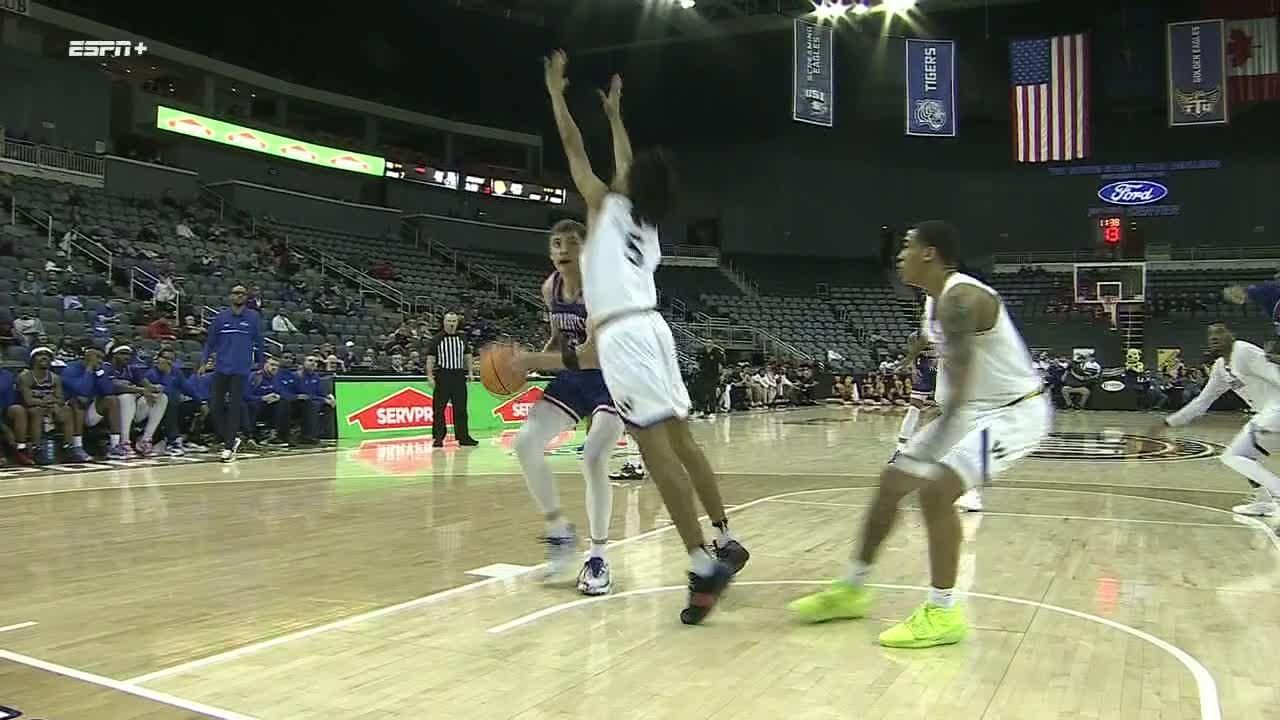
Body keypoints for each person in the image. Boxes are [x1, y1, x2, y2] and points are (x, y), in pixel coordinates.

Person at [541, 53, 747, 623]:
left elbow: (573, 148)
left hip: (624, 336)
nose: (619, 173)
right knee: (681, 439)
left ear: (630, 185)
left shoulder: (608, 206)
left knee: (655, 453)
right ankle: (725, 536)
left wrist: (556, 94)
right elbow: (626, 160)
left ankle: (702, 565)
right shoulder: (645, 222)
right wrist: (615, 117)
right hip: (655, 328)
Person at [789, 221, 1051, 648]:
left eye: (906, 246)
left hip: (1013, 414)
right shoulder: (933, 301)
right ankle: (852, 589)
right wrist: (909, 356)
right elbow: (929, 339)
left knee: (935, 491)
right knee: (891, 483)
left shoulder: (961, 299)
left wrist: (935, 443)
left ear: (929, 253)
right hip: (970, 412)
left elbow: (961, 381)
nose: (899, 255)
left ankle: (944, 612)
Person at [510, 219, 628, 596]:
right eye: (556, 244)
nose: (563, 250)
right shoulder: (551, 287)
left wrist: (531, 360)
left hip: (613, 377)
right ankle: (559, 531)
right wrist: (527, 369)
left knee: (593, 457)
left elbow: (592, 354)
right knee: (525, 443)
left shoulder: (600, 290)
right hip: (576, 377)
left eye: (571, 243)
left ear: (586, 249)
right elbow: (559, 338)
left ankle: (598, 556)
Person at [1152, 323, 1280, 517]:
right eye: (1210, 334)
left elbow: (1275, 374)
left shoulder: (1243, 350)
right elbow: (1202, 402)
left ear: (1232, 335)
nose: (1214, 336)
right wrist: (1169, 422)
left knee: (1235, 456)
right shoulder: (1220, 368)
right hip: (1268, 415)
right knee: (1243, 457)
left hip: (1275, 411)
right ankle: (1263, 501)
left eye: (1219, 331)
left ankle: (1270, 497)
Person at [202, 285, 264, 462]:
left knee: (235, 407)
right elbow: (210, 342)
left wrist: (260, 366)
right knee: (215, 406)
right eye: (236, 293)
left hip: (241, 370)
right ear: (230, 296)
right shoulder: (221, 317)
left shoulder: (253, 317)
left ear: (246, 297)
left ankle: (228, 447)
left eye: (242, 294)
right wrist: (204, 362)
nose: (239, 296)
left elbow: (259, 343)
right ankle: (230, 438)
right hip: (221, 368)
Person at [426, 312, 477, 448]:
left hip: (458, 375)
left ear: (457, 323)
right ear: (444, 322)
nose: (451, 324)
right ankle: (438, 437)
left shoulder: (462, 337)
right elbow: (430, 358)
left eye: (454, 321)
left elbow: (467, 355)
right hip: (443, 375)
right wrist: (430, 376)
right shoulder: (437, 338)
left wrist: (470, 372)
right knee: (439, 409)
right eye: (449, 321)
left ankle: (463, 437)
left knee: (461, 409)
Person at [62, 347, 122, 460]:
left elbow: (108, 390)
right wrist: (89, 368)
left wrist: (99, 372)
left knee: (112, 400)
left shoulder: (101, 369)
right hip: (71, 411)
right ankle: (77, 446)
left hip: (90, 411)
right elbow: (82, 390)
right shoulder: (70, 368)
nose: (99, 361)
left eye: (101, 358)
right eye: (96, 357)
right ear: (87, 356)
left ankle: (115, 446)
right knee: (78, 401)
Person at [108, 346, 169, 457]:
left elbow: (148, 385)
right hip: (112, 410)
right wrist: (140, 390)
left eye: (129, 354)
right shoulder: (106, 367)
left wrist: (156, 388)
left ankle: (145, 440)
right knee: (127, 397)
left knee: (162, 398)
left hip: (132, 410)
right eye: (123, 353)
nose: (127, 357)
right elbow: (114, 387)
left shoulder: (132, 369)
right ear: (114, 354)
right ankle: (124, 442)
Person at [16, 347, 70, 465]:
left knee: (66, 409)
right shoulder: (25, 376)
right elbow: (28, 401)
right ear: (32, 359)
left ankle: (68, 447)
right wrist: (49, 403)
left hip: (48, 406)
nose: (44, 357)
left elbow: (61, 399)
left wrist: (53, 404)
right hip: (28, 408)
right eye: (40, 355)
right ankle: (37, 448)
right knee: (37, 410)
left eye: (47, 355)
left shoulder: (55, 378)